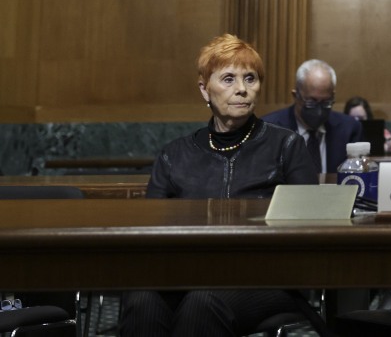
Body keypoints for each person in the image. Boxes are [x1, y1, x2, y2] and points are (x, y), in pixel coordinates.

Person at [119, 34, 318, 337]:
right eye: (228, 79)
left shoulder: (286, 146)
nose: (241, 89)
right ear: (205, 89)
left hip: (266, 280)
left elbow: (309, 230)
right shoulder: (174, 155)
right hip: (187, 274)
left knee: (204, 302)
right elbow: (152, 235)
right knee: (141, 300)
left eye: (250, 79)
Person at [262, 59, 362, 175]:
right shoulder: (270, 130)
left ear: (333, 96)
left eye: (326, 102)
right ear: (296, 96)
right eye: (311, 102)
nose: (319, 112)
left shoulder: (350, 129)